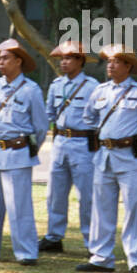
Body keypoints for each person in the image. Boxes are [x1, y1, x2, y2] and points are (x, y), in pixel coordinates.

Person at [76, 44, 137, 273]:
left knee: (133, 209)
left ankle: (135, 259)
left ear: (128, 66)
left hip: (128, 157)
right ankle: (101, 257)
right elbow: (88, 117)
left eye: (116, 61)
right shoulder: (100, 91)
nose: (111, 65)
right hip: (104, 157)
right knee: (102, 209)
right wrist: (103, 135)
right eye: (109, 61)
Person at [0, 39, 48, 266]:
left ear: (18, 61)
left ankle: (26, 252)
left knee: (19, 206)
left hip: (18, 153)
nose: (0, 63)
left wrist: (25, 146)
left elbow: (41, 126)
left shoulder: (31, 90)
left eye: (5, 58)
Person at [41, 39, 97, 254]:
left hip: (83, 143)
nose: (63, 62)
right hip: (60, 141)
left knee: (87, 195)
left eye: (68, 58)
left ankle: (91, 241)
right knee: (55, 192)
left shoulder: (92, 87)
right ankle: (54, 236)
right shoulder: (57, 86)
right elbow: (50, 114)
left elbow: (98, 116)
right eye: (62, 58)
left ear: (80, 61)